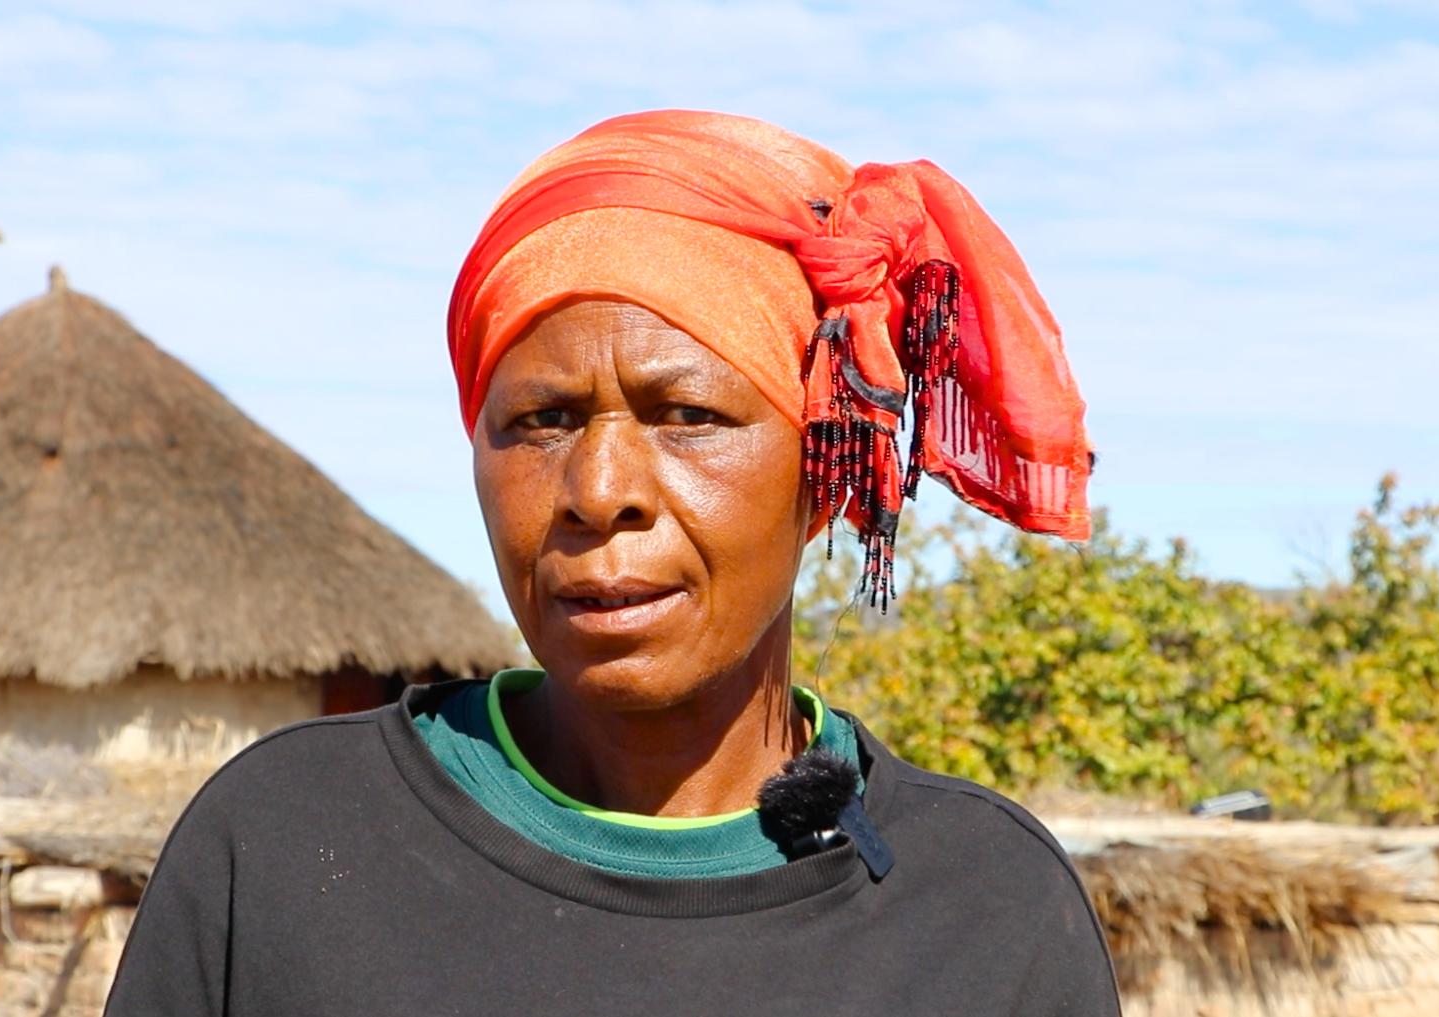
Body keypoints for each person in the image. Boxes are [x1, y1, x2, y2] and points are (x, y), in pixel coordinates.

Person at [104, 110, 1116, 1017]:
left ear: (822, 472)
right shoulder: (286, 843)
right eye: (542, 421)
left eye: (688, 416)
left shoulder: (987, 911)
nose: (598, 490)